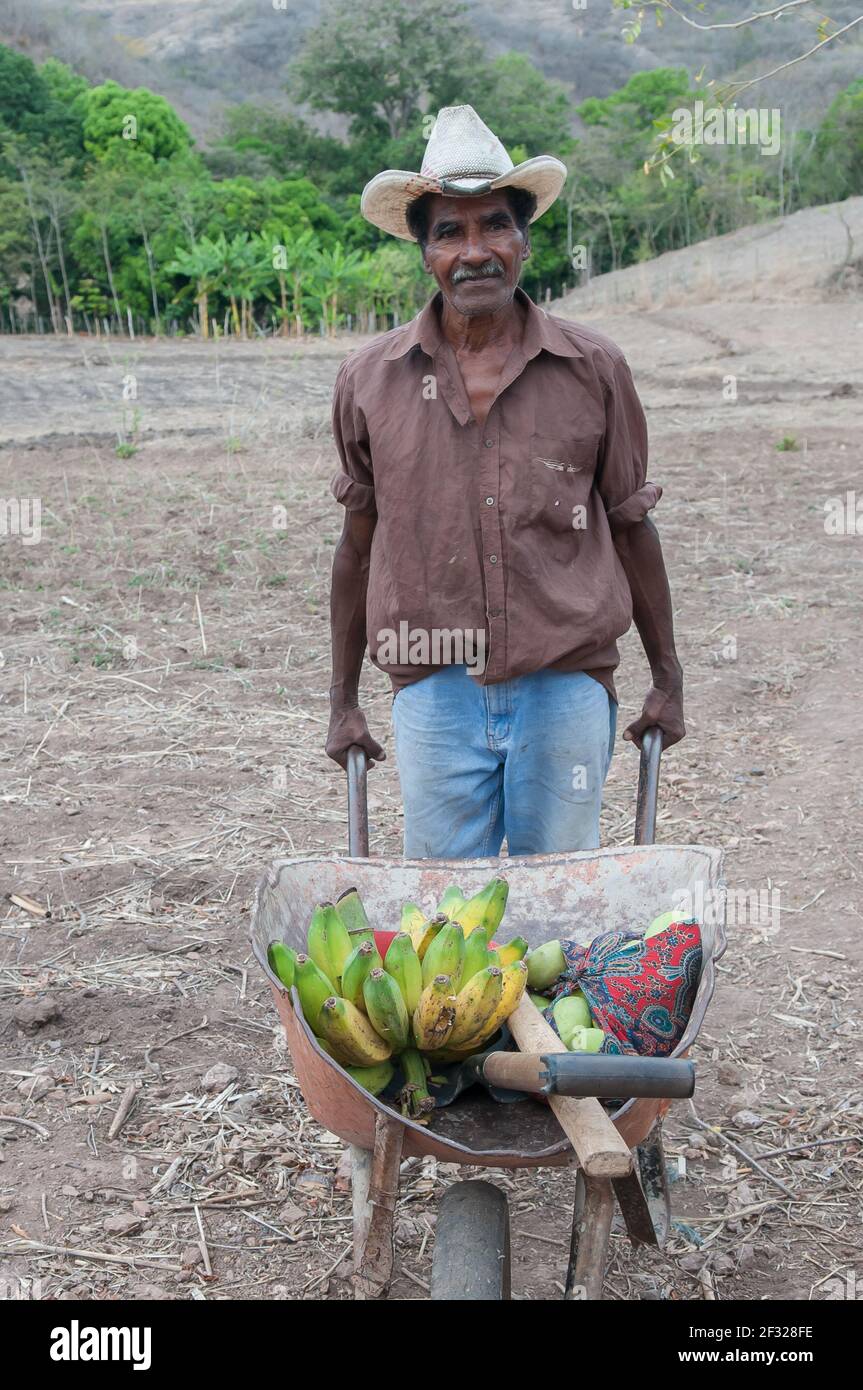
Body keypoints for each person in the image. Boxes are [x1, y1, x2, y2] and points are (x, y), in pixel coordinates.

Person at [326, 105, 684, 858]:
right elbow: (357, 546)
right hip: (433, 692)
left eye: (495, 224)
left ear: (524, 239)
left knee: (556, 914)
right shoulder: (370, 380)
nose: (475, 251)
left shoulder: (593, 369)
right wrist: (341, 702)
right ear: (423, 252)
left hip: (565, 686)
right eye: (449, 233)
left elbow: (628, 525)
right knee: (447, 931)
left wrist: (667, 680)